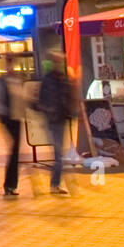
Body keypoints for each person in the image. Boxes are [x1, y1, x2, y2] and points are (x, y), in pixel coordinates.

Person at [34, 51, 75, 195]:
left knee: (59, 154)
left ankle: (55, 184)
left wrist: (69, 112)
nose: (59, 64)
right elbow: (41, 101)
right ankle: (55, 184)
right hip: (52, 120)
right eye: (57, 61)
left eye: (60, 61)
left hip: (61, 119)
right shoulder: (48, 80)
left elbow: (67, 97)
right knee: (58, 155)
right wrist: (48, 111)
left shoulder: (63, 79)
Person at [0, 64, 26, 194]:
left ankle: (11, 185)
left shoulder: (16, 82)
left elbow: (22, 100)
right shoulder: (2, 83)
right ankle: (9, 185)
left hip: (16, 119)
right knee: (14, 151)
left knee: (15, 152)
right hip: (8, 118)